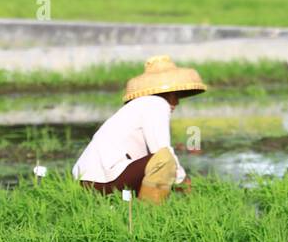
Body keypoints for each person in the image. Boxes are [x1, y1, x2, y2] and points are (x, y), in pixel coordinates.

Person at [72, 56, 206, 204]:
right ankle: (151, 214)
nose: (177, 102)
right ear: (168, 93)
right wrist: (184, 181)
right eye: (176, 95)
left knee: (160, 160)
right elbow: (162, 152)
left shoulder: (141, 106)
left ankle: (138, 209)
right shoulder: (157, 104)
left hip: (87, 181)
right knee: (164, 160)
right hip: (98, 181)